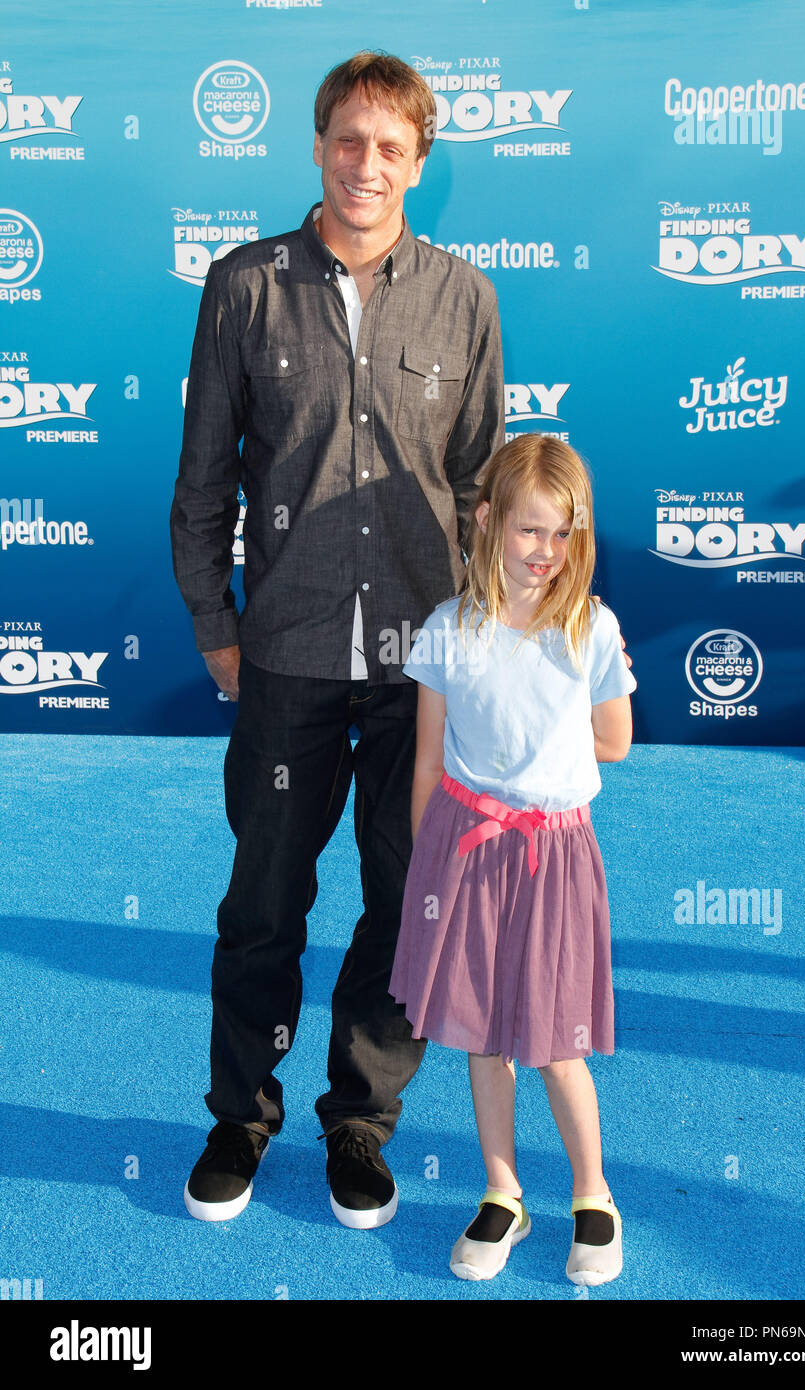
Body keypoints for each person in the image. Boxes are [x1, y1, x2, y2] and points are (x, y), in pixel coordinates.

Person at [169, 52, 505, 1228]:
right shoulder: (243, 285)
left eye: (393, 149)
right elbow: (205, 474)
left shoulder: (463, 296)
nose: (369, 165)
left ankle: (360, 1123)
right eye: (350, 141)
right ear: (316, 145)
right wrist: (218, 625)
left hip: (421, 666)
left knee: (405, 897)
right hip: (287, 653)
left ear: (421, 162)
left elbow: (477, 487)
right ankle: (237, 1117)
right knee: (263, 898)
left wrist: (491, 656)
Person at [389, 434, 637, 1283]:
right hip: (464, 852)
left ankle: (593, 1196)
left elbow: (616, 742)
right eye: (531, 530)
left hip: (555, 854)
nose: (546, 552)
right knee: (482, 1036)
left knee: (557, 1041)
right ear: (488, 521)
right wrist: (430, 872)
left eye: (565, 534)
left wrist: (543, 752)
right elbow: (427, 761)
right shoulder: (447, 630)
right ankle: (502, 1191)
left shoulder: (591, 628)